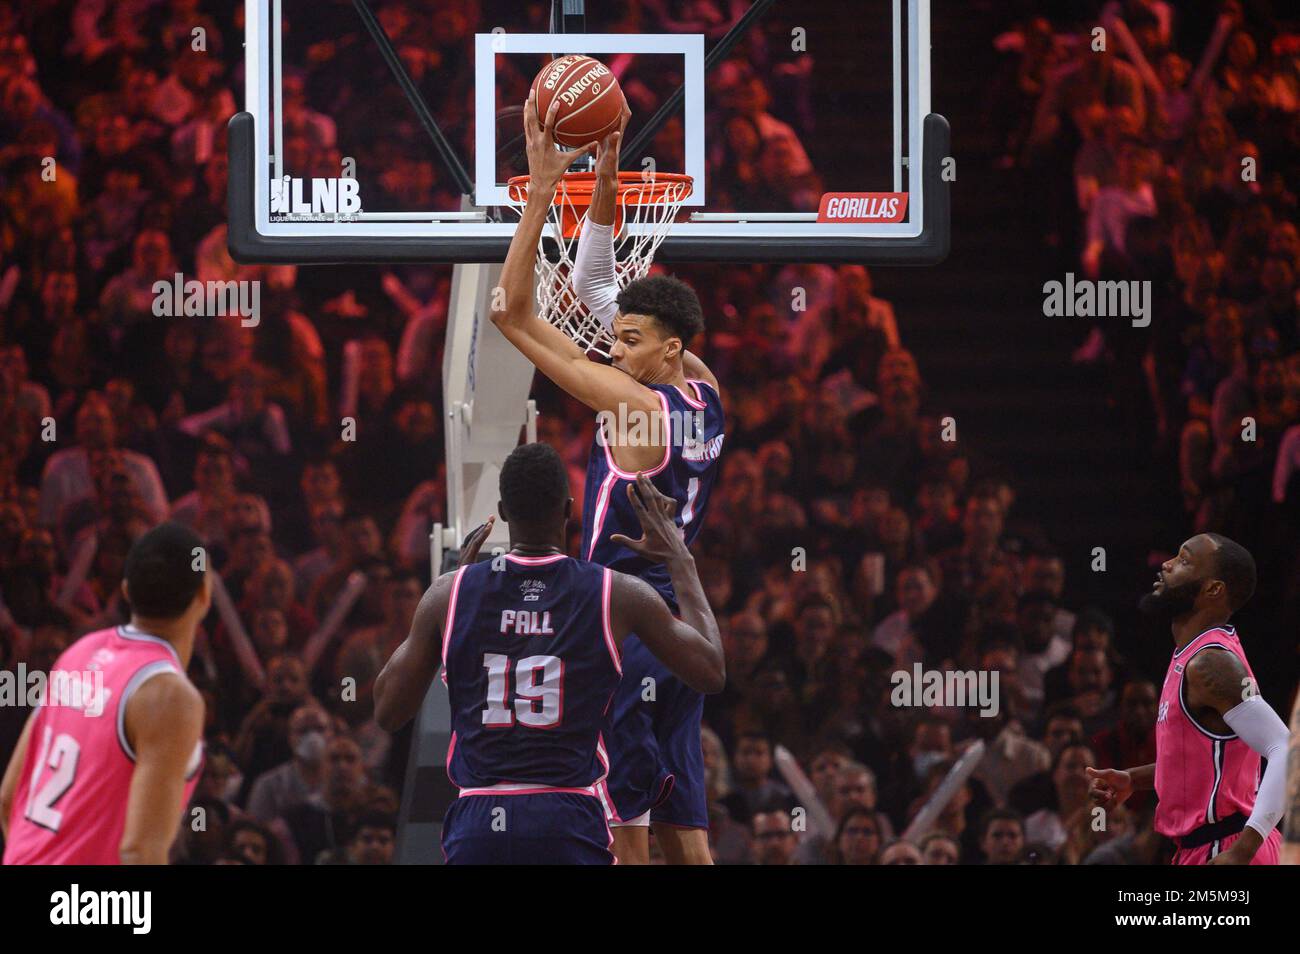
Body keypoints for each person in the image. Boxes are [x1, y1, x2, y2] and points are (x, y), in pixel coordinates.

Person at [490, 96, 726, 865]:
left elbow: (513, 314)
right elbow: (598, 294)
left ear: (667, 351)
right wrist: (603, 175)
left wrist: (538, 190)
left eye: (629, 343)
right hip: (683, 625)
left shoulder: (632, 402)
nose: (614, 350)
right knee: (686, 823)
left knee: (625, 822)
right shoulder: (705, 387)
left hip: (624, 626)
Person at [373, 445, 724, 864]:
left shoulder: (450, 594)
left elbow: (387, 712)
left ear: (503, 511)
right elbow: (710, 671)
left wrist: (448, 603)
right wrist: (680, 560)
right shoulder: (615, 593)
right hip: (566, 820)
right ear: (569, 509)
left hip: (479, 824)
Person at [1, 522, 206, 864]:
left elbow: (10, 799)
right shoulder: (169, 696)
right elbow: (139, 852)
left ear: (125, 590)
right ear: (203, 597)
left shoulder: (76, 655)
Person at [1087, 534, 1287, 865]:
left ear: (1213, 589)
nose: (1166, 564)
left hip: (1228, 846)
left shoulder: (1211, 662)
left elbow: (1287, 750)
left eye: (1183, 560)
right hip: (1204, 847)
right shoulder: (1190, 655)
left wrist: (1242, 851)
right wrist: (1133, 780)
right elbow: (1203, 762)